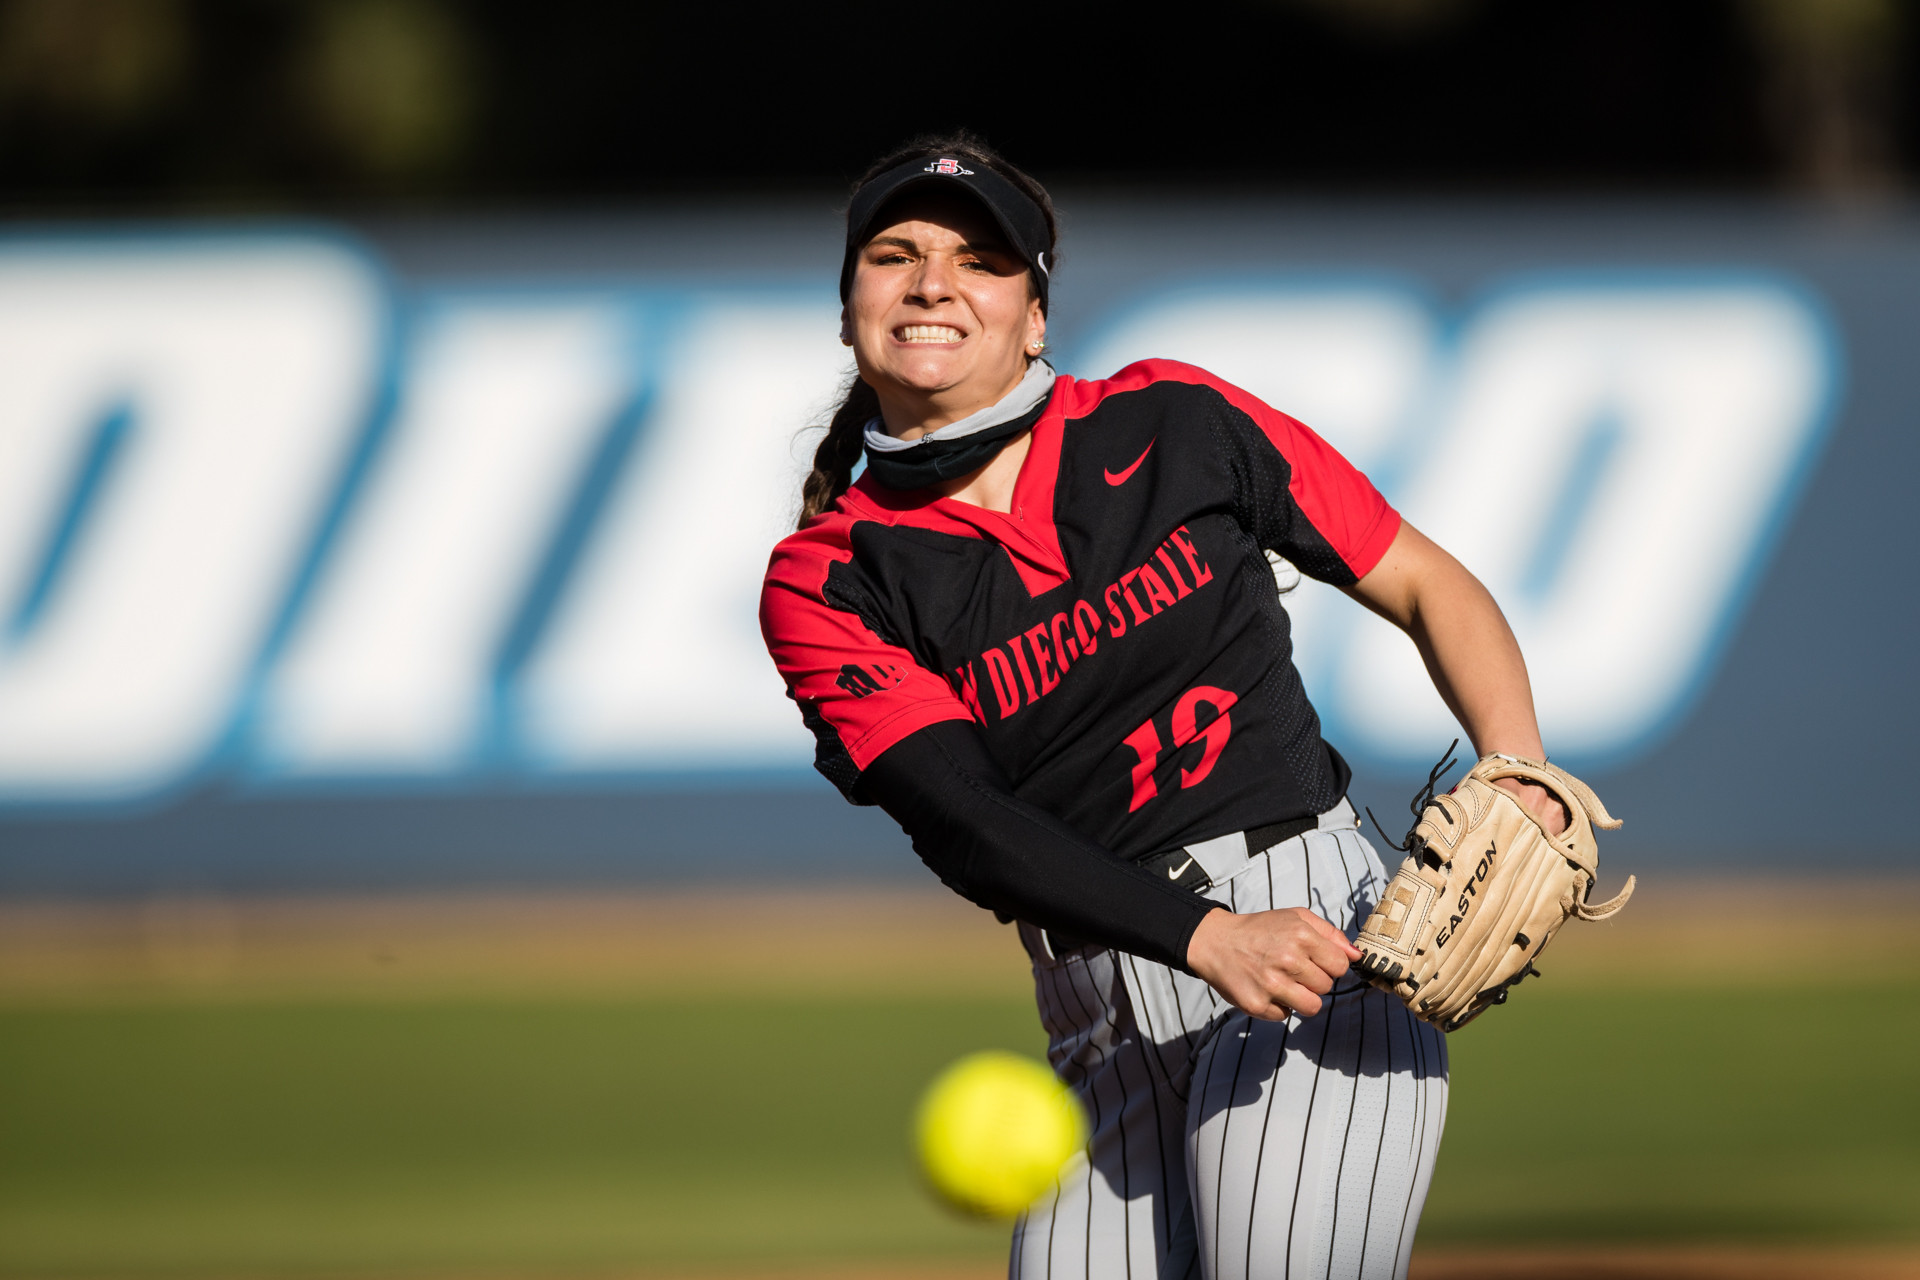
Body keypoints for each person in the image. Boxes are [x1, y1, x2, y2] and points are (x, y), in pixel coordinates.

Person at [758, 134, 1571, 1280]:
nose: (934, 281)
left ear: (1035, 316)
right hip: (1100, 1014)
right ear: (849, 312)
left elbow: (1424, 581)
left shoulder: (1172, 421)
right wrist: (1202, 936)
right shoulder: (830, 577)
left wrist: (1518, 763)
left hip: (1307, 947)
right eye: (895, 255)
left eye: (980, 260)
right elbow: (971, 823)